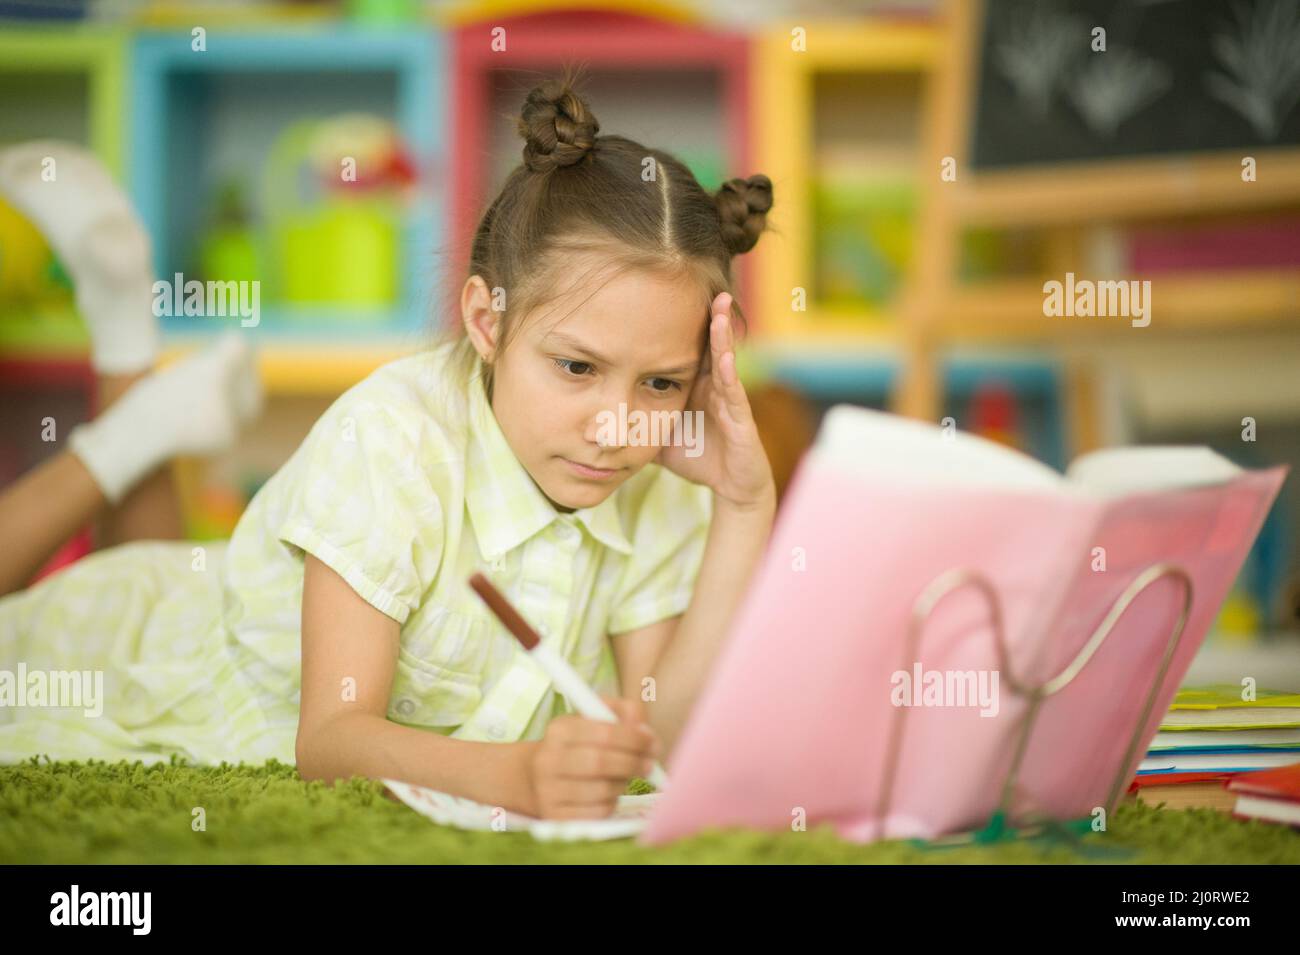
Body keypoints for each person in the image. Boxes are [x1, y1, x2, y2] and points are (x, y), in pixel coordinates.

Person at [0, 77, 778, 821]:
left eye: (662, 383)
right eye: (576, 367)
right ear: (487, 321)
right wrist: (518, 776)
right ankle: (131, 376)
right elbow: (331, 740)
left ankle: (140, 391)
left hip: (200, 604)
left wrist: (745, 505)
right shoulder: (389, 436)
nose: (617, 425)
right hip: (122, 655)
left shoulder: (662, 472)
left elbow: (660, 743)